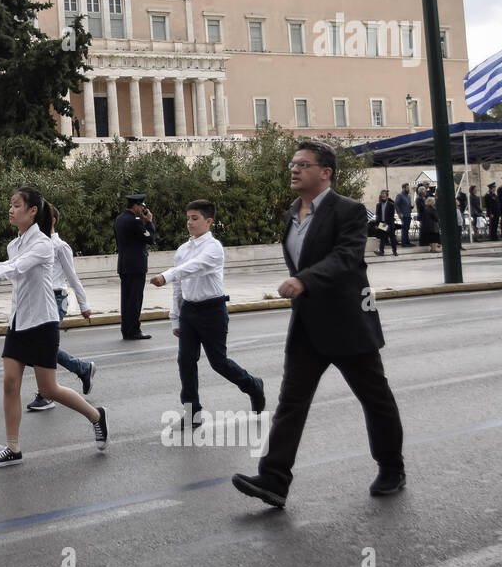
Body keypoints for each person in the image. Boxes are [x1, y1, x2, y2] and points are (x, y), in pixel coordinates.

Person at [232, 139, 405, 509]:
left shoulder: (350, 211)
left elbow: (346, 258)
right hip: (307, 326)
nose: (294, 170)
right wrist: (302, 284)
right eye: (293, 164)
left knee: (375, 399)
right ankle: (274, 480)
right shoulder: (291, 214)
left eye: (304, 165)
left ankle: (392, 467)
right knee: (291, 403)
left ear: (325, 173)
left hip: (347, 324)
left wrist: (304, 280)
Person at [0, 187, 108, 467]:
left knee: (49, 389)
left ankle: (96, 416)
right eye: (10, 205)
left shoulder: (44, 244)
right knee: (10, 383)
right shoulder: (15, 244)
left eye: (16, 205)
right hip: (18, 321)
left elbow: (18, 268)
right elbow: (13, 263)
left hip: (42, 322)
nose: (11, 210)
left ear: (32, 211)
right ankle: (13, 448)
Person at [150, 199, 264, 426]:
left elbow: (193, 267)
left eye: (195, 218)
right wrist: (175, 318)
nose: (189, 223)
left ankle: (253, 385)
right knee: (185, 361)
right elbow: (179, 287)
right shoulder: (183, 250)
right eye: (188, 218)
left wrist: (166, 275)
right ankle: (192, 412)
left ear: (208, 221)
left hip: (212, 310)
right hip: (189, 312)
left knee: (218, 362)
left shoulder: (214, 248)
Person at [27, 204, 98, 411]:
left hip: (55, 300)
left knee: (42, 347)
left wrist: (84, 304)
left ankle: (45, 394)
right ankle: (82, 368)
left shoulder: (60, 246)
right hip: (37, 301)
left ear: (52, 220)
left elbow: (72, 276)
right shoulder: (34, 244)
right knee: (36, 348)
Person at [114, 192, 155, 340]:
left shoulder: (119, 219)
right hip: (136, 266)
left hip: (124, 265)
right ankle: (134, 331)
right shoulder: (135, 220)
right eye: (142, 206)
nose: (143, 209)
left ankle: (126, 330)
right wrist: (149, 222)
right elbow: (150, 238)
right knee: (135, 300)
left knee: (126, 300)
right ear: (136, 206)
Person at [374, 189, 399, 256]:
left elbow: (392, 215)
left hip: (389, 223)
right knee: (382, 238)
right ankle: (381, 251)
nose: (383, 198)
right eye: (382, 197)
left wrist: (386, 222)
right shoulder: (378, 205)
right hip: (381, 224)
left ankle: (394, 251)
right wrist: (377, 224)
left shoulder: (391, 204)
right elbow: (377, 215)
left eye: (384, 196)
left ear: (387, 197)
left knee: (392, 238)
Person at [394, 183, 414, 249]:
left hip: (408, 214)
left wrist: (411, 206)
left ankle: (407, 242)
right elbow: (396, 204)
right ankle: (404, 243)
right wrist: (399, 213)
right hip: (403, 215)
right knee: (404, 229)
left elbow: (407, 204)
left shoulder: (408, 196)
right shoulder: (399, 196)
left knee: (407, 229)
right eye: (407, 188)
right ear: (403, 188)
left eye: (408, 188)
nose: (408, 189)